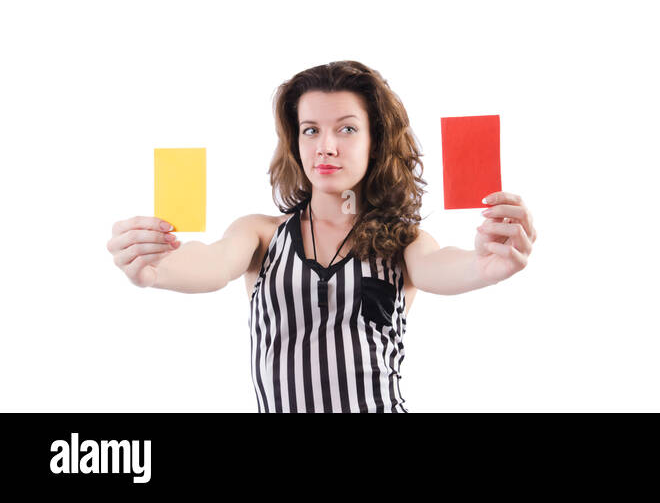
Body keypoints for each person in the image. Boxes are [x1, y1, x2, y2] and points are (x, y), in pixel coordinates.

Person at [106, 61, 537, 412]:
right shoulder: (260, 234)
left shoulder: (403, 242)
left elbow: (442, 266)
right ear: (296, 141)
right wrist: (155, 268)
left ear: (375, 142)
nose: (325, 146)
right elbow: (214, 263)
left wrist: (484, 266)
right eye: (311, 129)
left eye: (347, 129)